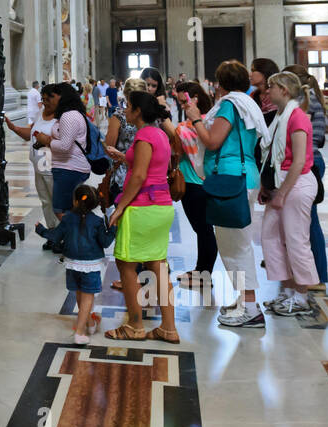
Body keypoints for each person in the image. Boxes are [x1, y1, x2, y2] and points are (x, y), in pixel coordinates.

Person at [184, 59, 272, 327]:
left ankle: (250, 307)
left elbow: (212, 141)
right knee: (237, 242)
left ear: (220, 83)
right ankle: (245, 299)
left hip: (230, 179)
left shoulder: (230, 106)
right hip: (243, 176)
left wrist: (196, 118)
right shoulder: (247, 103)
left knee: (234, 246)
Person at [104, 92, 179, 343]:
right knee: (158, 265)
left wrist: (119, 207)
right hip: (161, 206)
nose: (125, 111)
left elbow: (138, 176)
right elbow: (156, 166)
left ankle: (135, 325)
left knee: (126, 265)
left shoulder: (144, 135)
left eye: (128, 107)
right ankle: (168, 328)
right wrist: (125, 157)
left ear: (137, 111)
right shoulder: (160, 134)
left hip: (141, 207)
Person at [258, 74, 319, 315]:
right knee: (271, 237)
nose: (267, 91)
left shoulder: (298, 118)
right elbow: (272, 155)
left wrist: (282, 193)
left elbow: (300, 161)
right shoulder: (280, 118)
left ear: (283, 90)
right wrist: (269, 187)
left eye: (271, 87)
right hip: (280, 183)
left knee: (296, 240)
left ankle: (302, 296)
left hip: (296, 184)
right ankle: (285, 291)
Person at [36, 185, 115, 343]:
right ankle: (79, 332)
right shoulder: (97, 221)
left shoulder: (67, 218)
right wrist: (113, 228)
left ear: (75, 201)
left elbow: (55, 236)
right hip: (91, 265)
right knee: (88, 297)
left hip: (72, 263)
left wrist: (41, 230)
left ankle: (89, 323)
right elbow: (105, 242)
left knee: (79, 293)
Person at [283, 64, 328, 288]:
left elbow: (315, 139)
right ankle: (302, 273)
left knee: (310, 223)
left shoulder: (308, 107)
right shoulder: (296, 107)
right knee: (300, 223)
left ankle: (318, 276)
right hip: (302, 164)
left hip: (308, 165)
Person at [173, 82, 216, 289]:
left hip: (193, 183)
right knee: (204, 230)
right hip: (204, 182)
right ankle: (201, 269)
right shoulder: (213, 122)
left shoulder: (187, 128)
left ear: (195, 99)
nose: (182, 106)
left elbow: (176, 148)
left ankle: (204, 275)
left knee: (204, 231)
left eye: (184, 101)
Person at [33, 83, 92, 222]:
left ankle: (77, 236)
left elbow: (65, 146)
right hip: (67, 168)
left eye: (52, 97)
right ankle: (76, 237)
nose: (49, 101)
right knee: (67, 208)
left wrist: (46, 140)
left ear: (62, 96)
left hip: (69, 168)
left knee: (61, 209)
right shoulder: (70, 114)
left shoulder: (69, 116)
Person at [5, 100, 59, 237]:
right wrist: (14, 128)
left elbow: (64, 143)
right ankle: (52, 233)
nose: (45, 102)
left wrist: (46, 140)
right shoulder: (40, 114)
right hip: (38, 166)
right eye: (44, 98)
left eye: (49, 99)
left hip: (52, 166)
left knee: (57, 203)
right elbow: (31, 133)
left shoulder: (62, 117)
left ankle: (62, 235)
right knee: (46, 202)